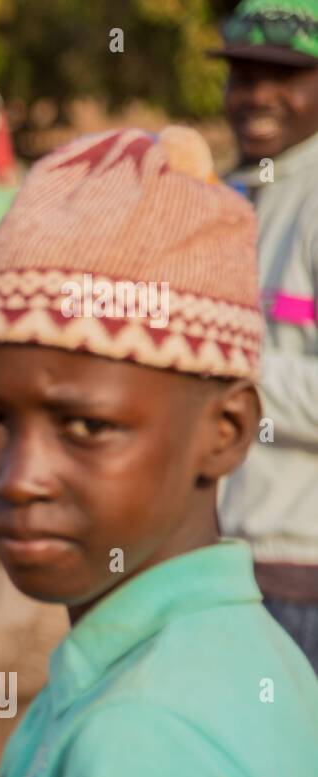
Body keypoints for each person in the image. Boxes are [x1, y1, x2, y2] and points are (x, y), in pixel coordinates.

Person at [0, 126, 318, 777]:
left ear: (226, 432)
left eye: (87, 426)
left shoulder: (141, 736)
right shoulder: (237, 658)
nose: (19, 477)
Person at [216, 0, 318, 668]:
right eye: (244, 75)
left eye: (284, 76)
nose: (257, 95)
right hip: (229, 569)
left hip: (302, 575)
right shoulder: (234, 196)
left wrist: (220, 359)